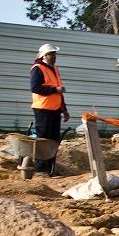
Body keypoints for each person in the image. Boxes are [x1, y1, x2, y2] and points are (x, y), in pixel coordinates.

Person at [30, 43, 69, 176]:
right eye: (51, 54)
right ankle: (40, 169)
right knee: (43, 139)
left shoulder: (54, 69)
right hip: (43, 109)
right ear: (44, 56)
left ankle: (50, 168)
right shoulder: (37, 69)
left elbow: (59, 92)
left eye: (54, 54)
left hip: (55, 109)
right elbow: (35, 88)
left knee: (53, 140)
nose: (54, 57)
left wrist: (64, 109)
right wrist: (54, 90)